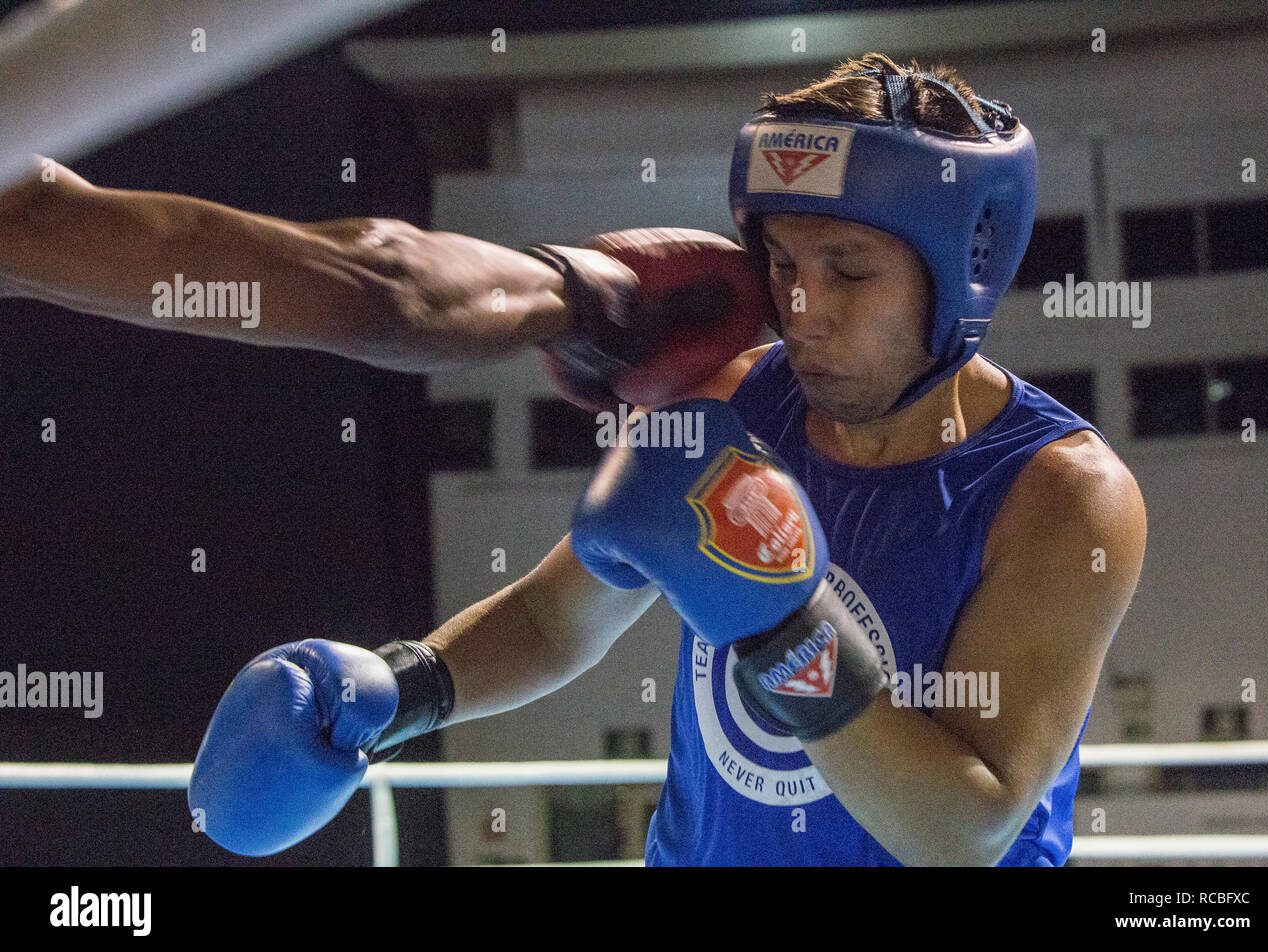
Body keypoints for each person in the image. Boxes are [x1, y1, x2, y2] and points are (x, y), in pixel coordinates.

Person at [3, 52, 1147, 866]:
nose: (800, 308)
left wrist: (783, 633)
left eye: (848, 270)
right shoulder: (743, 397)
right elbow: (557, 621)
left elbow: (970, 829)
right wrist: (402, 689)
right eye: (784, 265)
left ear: (966, 266)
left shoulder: (1059, 495)